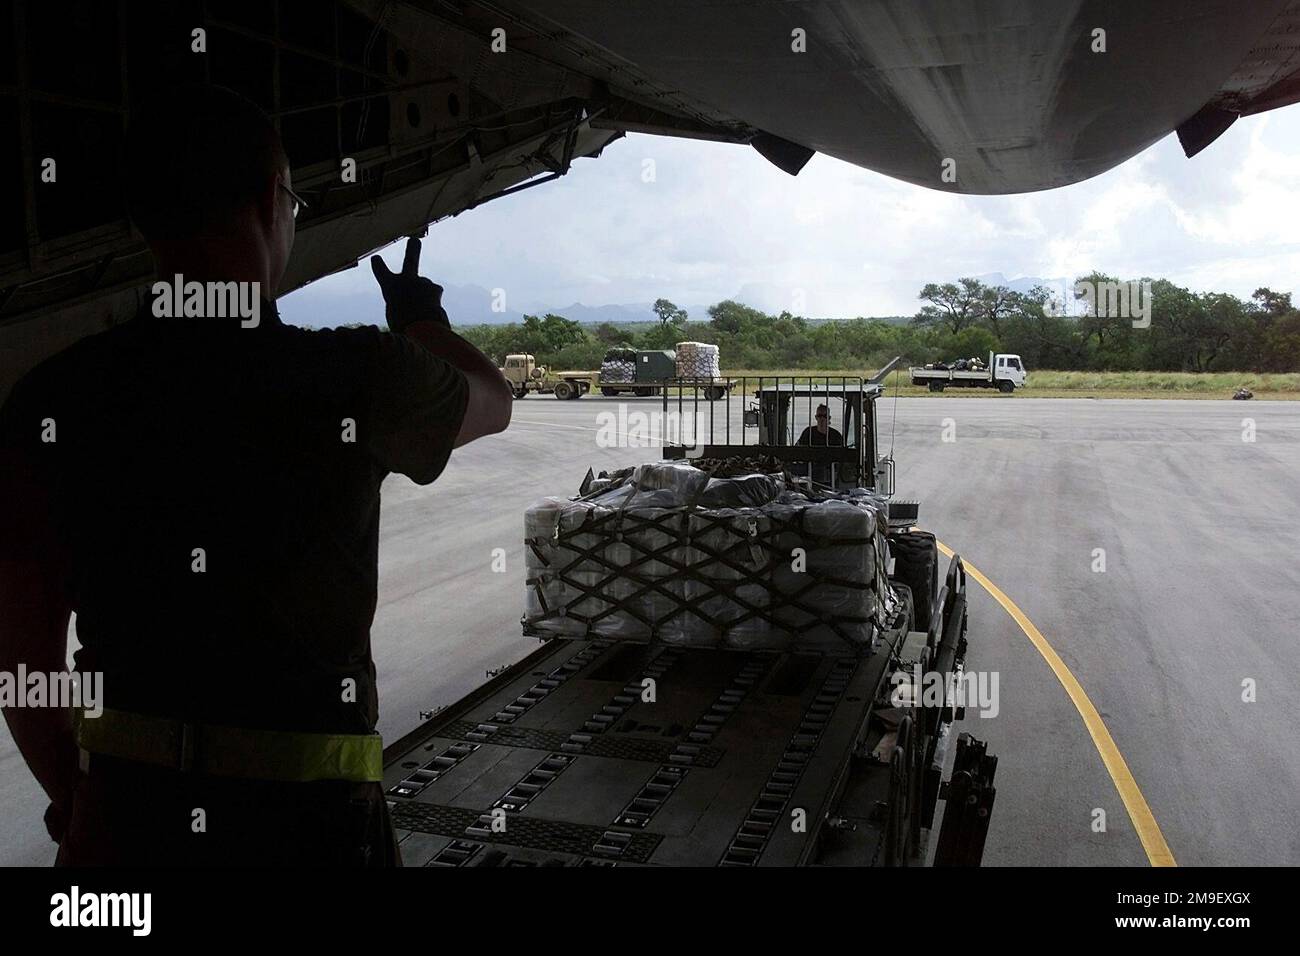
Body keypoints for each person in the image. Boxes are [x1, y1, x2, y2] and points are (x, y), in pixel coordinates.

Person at [0, 85, 511, 865]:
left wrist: (77, 798)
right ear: (274, 197)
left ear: (143, 218)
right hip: (314, 834)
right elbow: (494, 401)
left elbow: (21, 651)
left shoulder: (55, 395)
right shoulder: (359, 377)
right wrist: (418, 320)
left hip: (125, 828)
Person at [795, 403, 843, 486]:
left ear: (829, 418)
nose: (822, 419)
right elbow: (799, 451)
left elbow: (841, 457)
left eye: (825, 416)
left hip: (831, 476)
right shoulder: (808, 433)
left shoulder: (836, 436)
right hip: (809, 473)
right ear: (816, 417)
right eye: (819, 416)